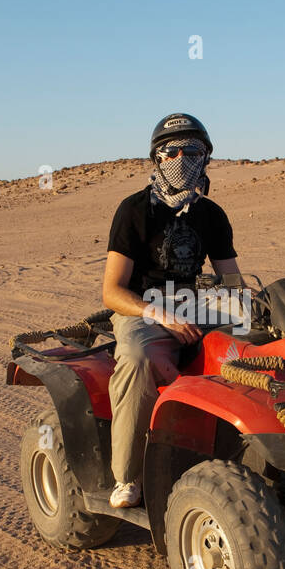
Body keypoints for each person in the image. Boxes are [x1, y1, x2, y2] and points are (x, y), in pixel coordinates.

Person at [101, 113, 240, 508]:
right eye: (171, 151)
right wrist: (159, 314)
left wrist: (248, 309)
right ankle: (127, 477)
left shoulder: (211, 215)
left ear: (205, 158)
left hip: (195, 304)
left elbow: (232, 282)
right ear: (157, 159)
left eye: (192, 151)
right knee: (137, 358)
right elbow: (112, 291)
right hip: (141, 309)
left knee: (259, 348)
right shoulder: (134, 210)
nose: (181, 158)